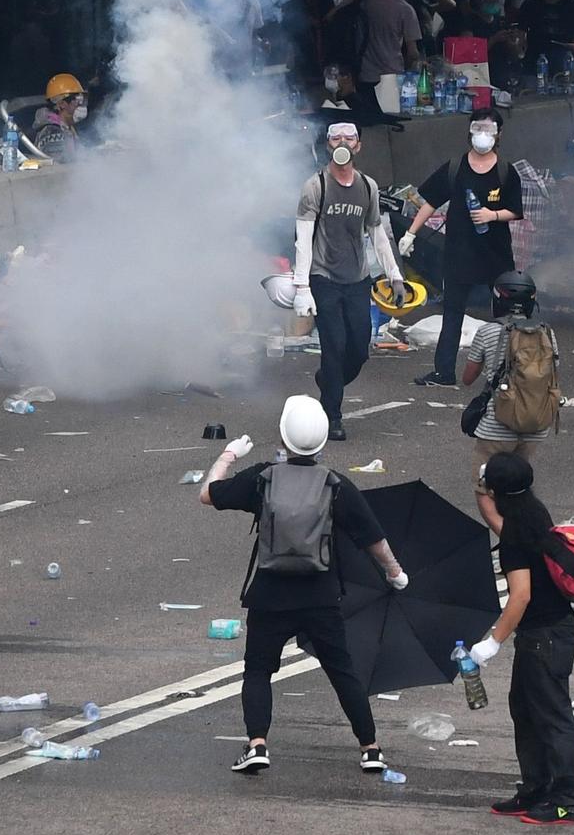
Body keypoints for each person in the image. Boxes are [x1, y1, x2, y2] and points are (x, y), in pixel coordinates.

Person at [199, 393, 406, 777]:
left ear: (283, 436)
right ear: (323, 440)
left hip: (270, 594)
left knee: (258, 670)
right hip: (320, 595)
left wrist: (229, 455)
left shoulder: (263, 477)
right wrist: (395, 574)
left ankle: (257, 743)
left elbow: (208, 494)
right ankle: (370, 748)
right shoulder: (336, 485)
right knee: (342, 670)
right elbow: (373, 539)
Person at [465, 451, 574, 826]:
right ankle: (536, 786)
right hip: (549, 634)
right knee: (525, 709)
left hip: (544, 636)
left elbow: (521, 595)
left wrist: (492, 642)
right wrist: (481, 488)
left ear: (500, 493)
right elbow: (496, 512)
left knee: (552, 717)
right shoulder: (533, 513)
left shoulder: (516, 534)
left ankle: (567, 800)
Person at [290, 122, 404, 441]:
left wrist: (395, 276)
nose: (343, 143)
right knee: (334, 346)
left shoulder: (367, 187)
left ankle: (328, 380)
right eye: (336, 138)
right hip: (323, 278)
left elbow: (378, 235)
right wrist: (302, 287)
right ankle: (333, 416)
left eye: (349, 138)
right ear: (328, 146)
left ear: (359, 146)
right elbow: (303, 237)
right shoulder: (316, 186)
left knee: (359, 348)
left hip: (357, 279)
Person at [404, 112, 524, 386]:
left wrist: (491, 216)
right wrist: (411, 233)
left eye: (488, 128)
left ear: (499, 134)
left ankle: (510, 371)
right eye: (477, 127)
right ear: (469, 132)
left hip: (495, 254)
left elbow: (516, 211)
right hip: (459, 253)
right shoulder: (455, 167)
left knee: (507, 314)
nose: (482, 134)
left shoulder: (506, 171)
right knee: (452, 313)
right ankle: (443, 372)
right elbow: (430, 202)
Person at [460, 270, 559, 474]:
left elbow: (468, 378)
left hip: (496, 425)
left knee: (484, 485)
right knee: (516, 484)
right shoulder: (546, 333)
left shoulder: (487, 331)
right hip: (535, 425)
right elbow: (552, 371)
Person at [29, 71, 90, 160]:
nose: (81, 104)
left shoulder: (68, 129)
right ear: (62, 104)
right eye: (78, 100)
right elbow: (60, 163)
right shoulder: (51, 131)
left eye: (83, 100)